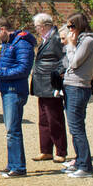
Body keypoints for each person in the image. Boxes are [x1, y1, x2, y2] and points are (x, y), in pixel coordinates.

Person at [0, 17, 35, 177]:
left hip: (15, 90)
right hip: (7, 89)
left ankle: (19, 167)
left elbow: (23, 69)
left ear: (3, 29)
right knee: (10, 129)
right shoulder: (9, 44)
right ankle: (12, 164)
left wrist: (0, 73)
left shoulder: (22, 43)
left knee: (13, 130)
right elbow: (10, 66)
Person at [61, 12, 93, 178]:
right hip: (70, 86)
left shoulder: (88, 41)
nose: (70, 30)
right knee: (73, 127)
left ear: (79, 25)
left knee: (77, 128)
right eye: (68, 27)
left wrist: (70, 44)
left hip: (79, 87)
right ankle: (78, 160)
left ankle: (85, 166)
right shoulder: (80, 41)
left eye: (71, 26)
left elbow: (74, 62)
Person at [29, 12, 68, 163]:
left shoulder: (57, 38)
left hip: (51, 84)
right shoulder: (45, 39)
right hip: (41, 84)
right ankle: (45, 150)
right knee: (43, 119)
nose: (36, 29)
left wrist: (57, 74)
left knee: (55, 118)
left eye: (37, 27)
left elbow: (64, 59)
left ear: (45, 26)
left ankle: (60, 151)